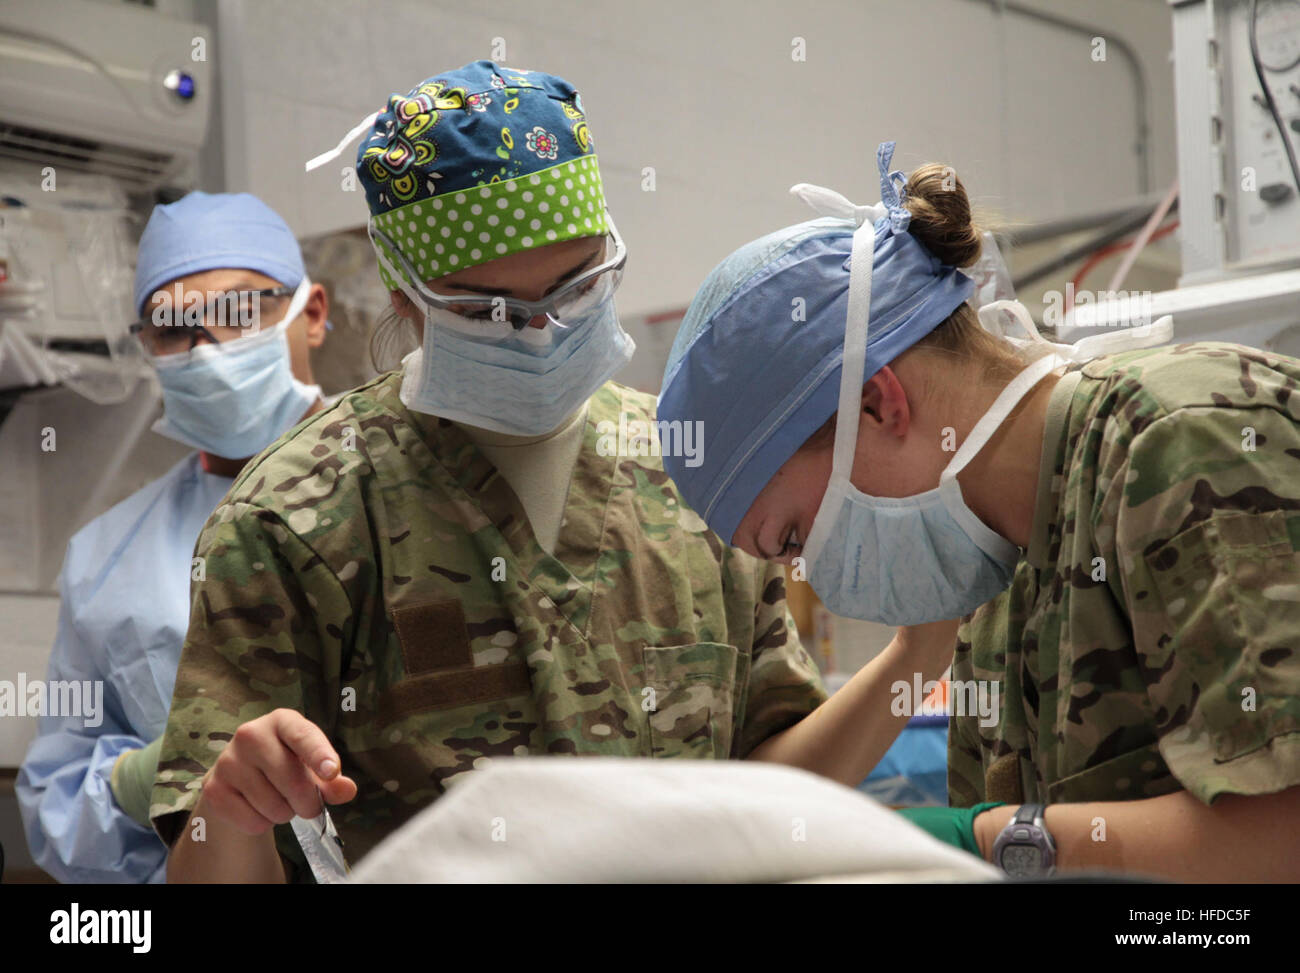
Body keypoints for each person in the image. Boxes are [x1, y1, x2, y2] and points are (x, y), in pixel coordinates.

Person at [154, 61, 916, 884]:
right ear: (404, 297)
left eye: (577, 286)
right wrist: (232, 804)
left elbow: (773, 798)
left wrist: (920, 648)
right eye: (488, 312)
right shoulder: (295, 518)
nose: (543, 332)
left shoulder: (691, 468)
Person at [655, 140, 1300, 881]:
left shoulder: (1183, 443)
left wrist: (987, 837)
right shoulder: (996, 581)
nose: (813, 574)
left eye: (794, 537)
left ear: (877, 402)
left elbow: (1281, 835)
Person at [16, 192, 329, 883]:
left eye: (237, 313)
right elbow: (55, 800)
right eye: (173, 327)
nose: (205, 350)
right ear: (146, 345)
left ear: (312, 314)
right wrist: (137, 780)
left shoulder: (411, 478)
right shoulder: (107, 558)